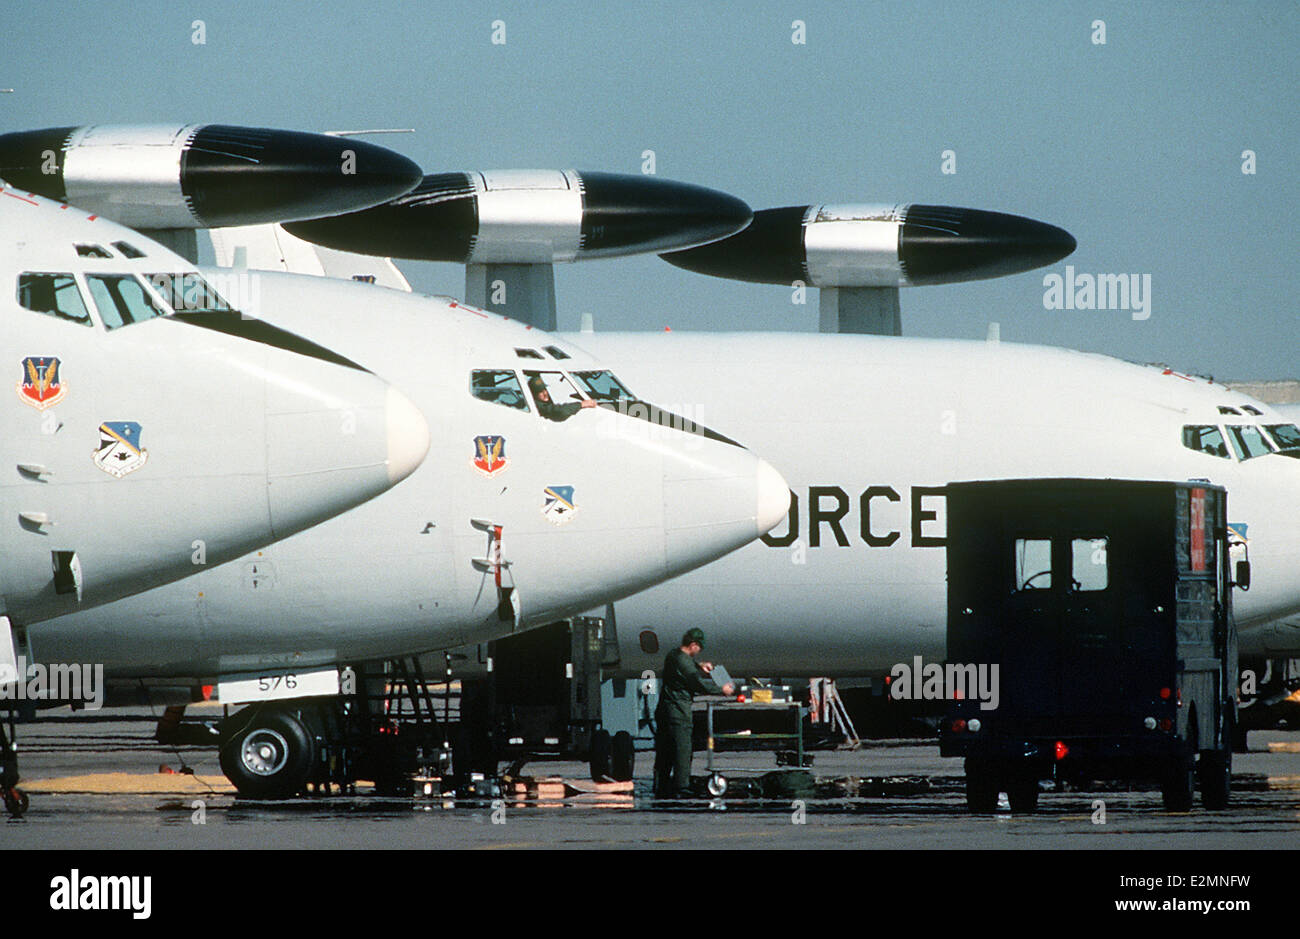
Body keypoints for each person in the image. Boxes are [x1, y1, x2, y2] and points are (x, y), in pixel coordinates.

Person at [653, 627, 735, 798]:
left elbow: (685, 666)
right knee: (683, 750)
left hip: (664, 711)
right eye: (699, 648)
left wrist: (700, 665)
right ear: (693, 645)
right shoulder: (684, 662)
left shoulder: (673, 655)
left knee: (665, 751)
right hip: (678, 711)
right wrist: (722, 689)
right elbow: (696, 683)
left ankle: (660, 786)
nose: (699, 652)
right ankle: (681, 787)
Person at [528, 375, 599, 422]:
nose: (545, 394)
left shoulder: (544, 402)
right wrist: (581, 404)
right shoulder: (538, 406)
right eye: (540, 392)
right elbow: (560, 411)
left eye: (545, 390)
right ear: (534, 394)